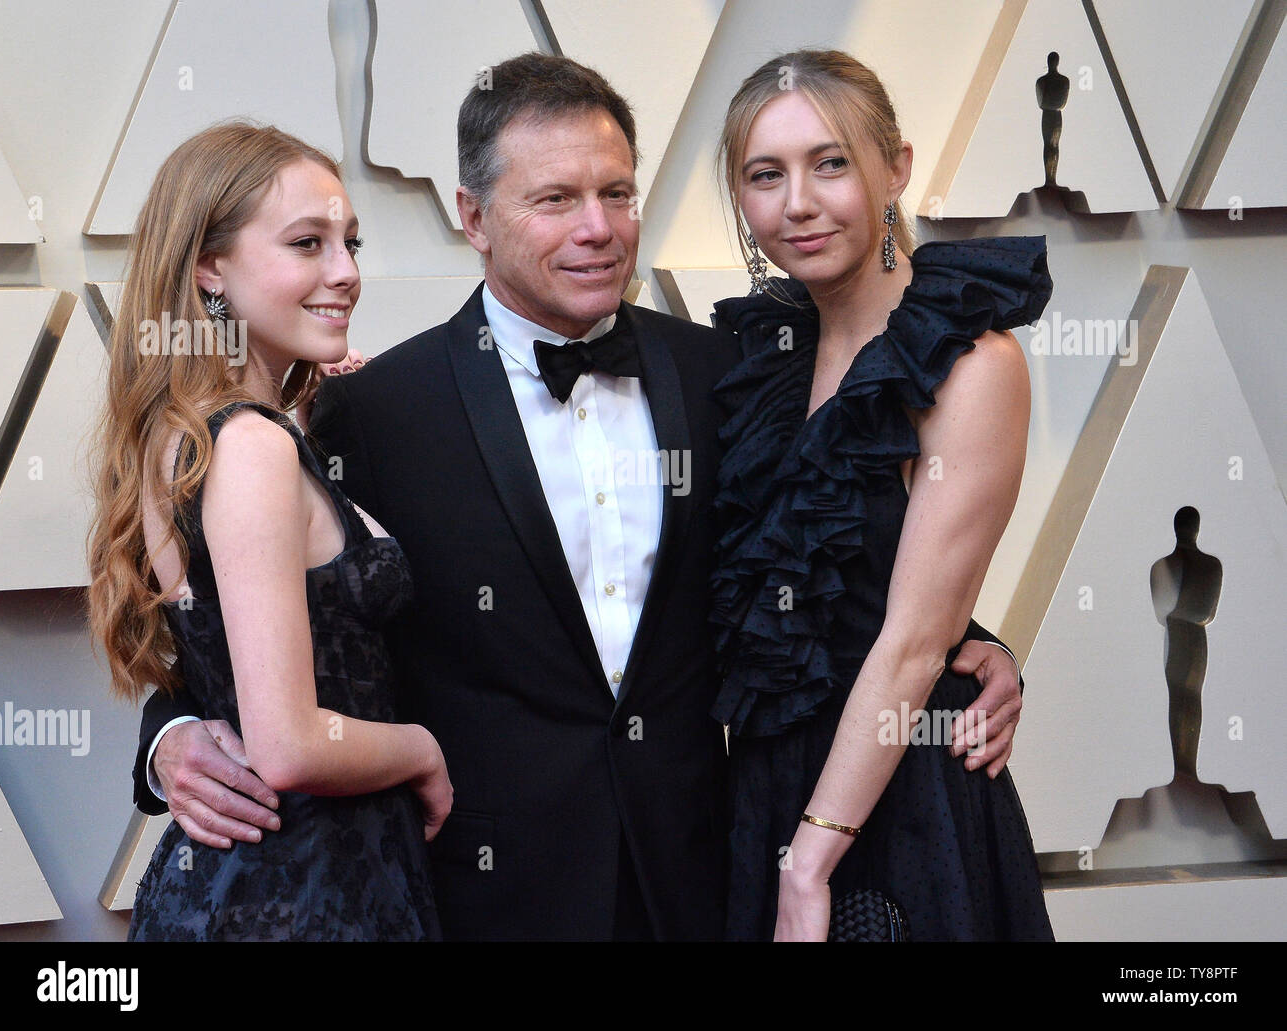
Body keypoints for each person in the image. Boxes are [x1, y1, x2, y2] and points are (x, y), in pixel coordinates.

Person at [130, 55, 1028, 941]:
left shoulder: (734, 378)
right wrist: (170, 737)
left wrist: (971, 646)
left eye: (617, 194)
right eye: (555, 199)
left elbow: (818, 556)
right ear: (473, 217)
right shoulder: (369, 410)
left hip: (704, 884)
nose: (598, 228)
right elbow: (256, 620)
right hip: (480, 897)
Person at [710, 49, 1056, 940]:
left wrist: (811, 862)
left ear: (896, 168)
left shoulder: (972, 363)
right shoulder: (756, 364)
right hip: (765, 795)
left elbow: (910, 642)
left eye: (831, 163)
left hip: (900, 807)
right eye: (764, 175)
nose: (798, 202)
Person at [88, 122, 452, 940]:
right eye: (307, 243)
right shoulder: (249, 445)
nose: (346, 273)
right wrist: (423, 750)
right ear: (209, 266)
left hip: (250, 884)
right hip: (311, 895)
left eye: (350, 242)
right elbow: (286, 742)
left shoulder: (180, 437)